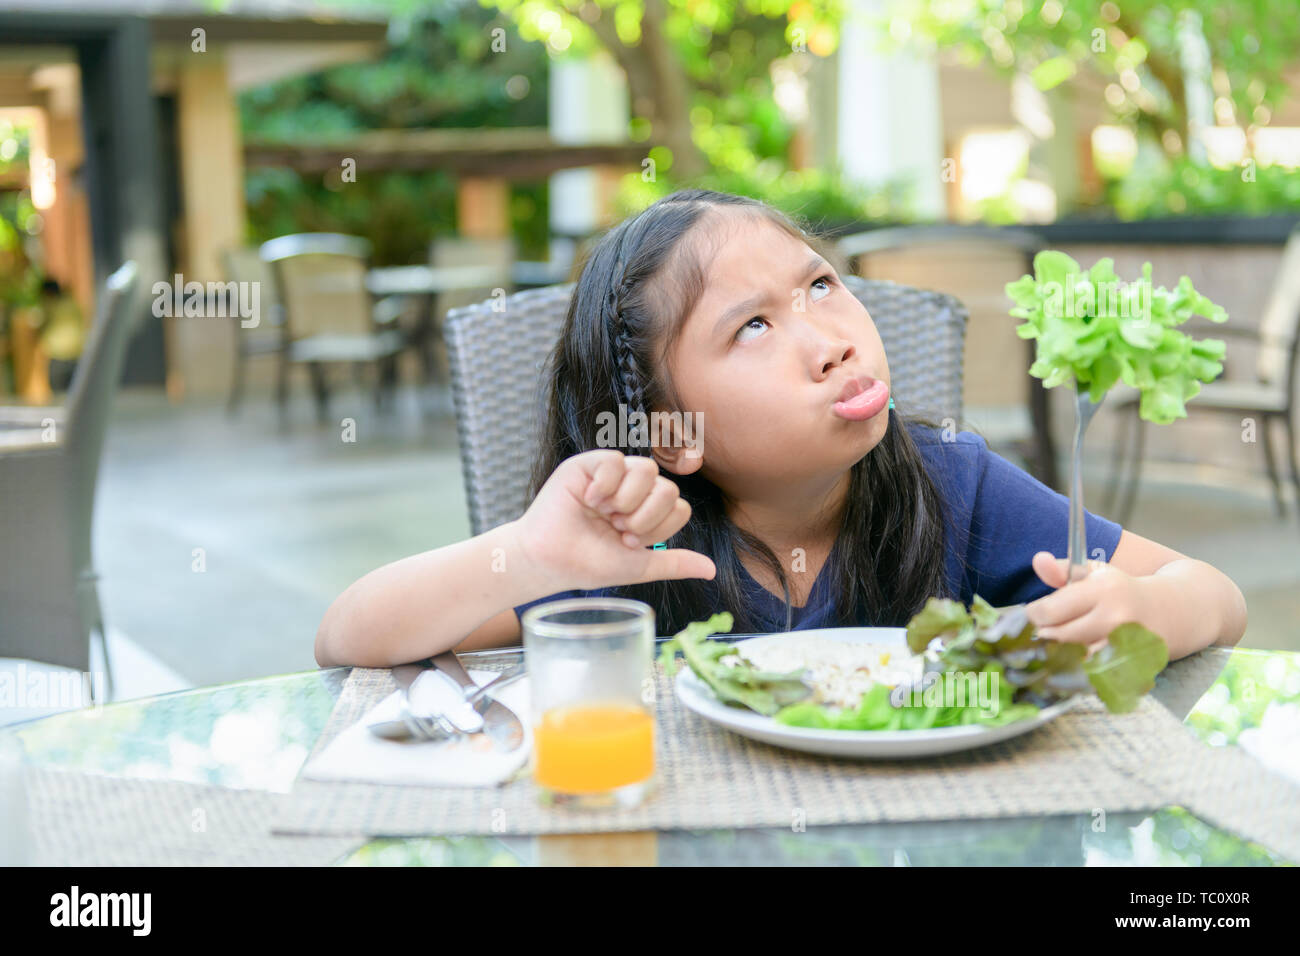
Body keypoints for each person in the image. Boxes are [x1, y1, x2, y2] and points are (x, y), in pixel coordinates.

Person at [314, 189, 1246, 669]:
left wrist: (1151, 610)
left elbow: (1212, 594)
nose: (831, 339)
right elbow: (348, 635)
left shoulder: (949, 484)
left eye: (820, 286)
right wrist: (528, 557)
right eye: (752, 325)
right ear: (674, 435)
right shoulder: (626, 551)